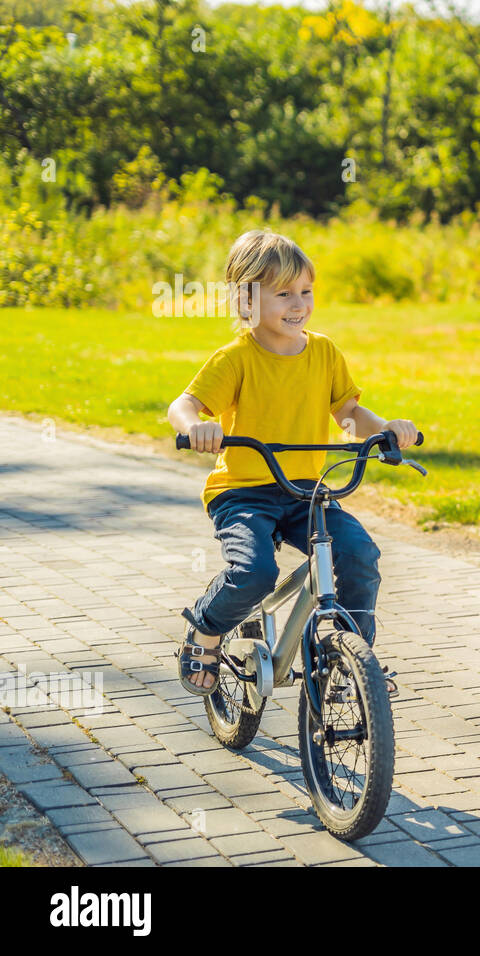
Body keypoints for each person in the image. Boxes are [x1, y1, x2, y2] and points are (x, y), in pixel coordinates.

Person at [166, 230, 418, 696]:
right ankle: (205, 627)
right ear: (246, 299)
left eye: (306, 291)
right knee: (255, 572)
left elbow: (348, 413)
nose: (298, 303)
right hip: (243, 491)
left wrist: (385, 428)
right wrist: (194, 426)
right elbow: (183, 405)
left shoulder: (323, 351)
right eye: (283, 293)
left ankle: (353, 658)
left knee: (360, 555)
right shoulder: (236, 358)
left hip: (308, 489)